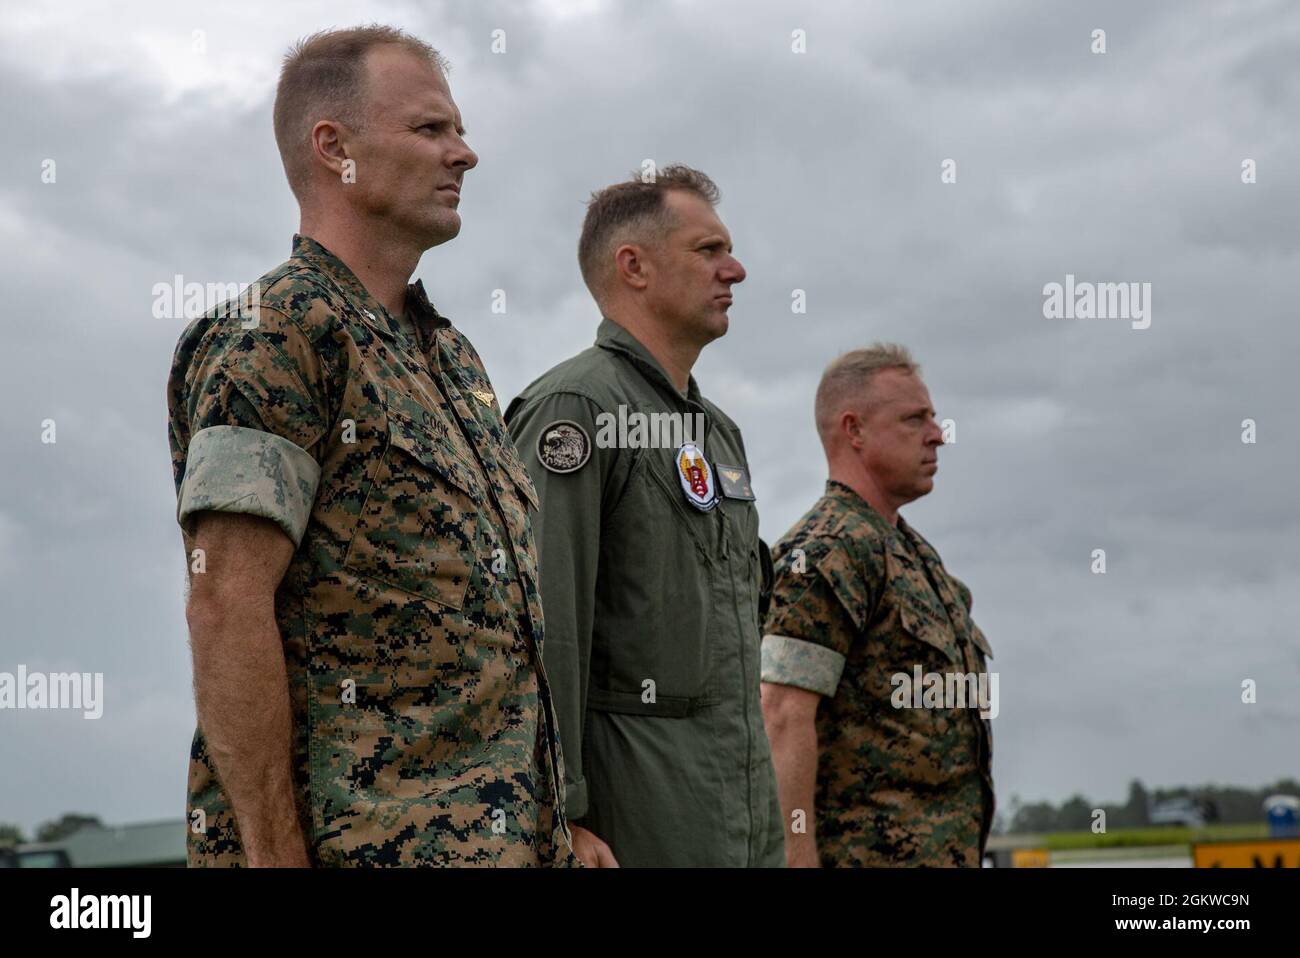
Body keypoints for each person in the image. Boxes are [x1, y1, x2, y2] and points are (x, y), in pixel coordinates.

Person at [167, 25, 573, 866]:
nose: (464, 154)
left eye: (456, 130)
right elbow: (226, 602)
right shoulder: (278, 333)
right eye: (431, 130)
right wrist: (275, 854)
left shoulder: (449, 358)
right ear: (334, 147)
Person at [506, 166, 784, 867]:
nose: (736, 270)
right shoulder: (577, 408)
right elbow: (544, 626)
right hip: (637, 828)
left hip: (737, 821)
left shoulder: (715, 433)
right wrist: (560, 815)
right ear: (634, 266)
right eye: (709, 250)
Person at [760, 345, 994, 867]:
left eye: (933, 418)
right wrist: (796, 859)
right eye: (915, 419)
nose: (937, 434)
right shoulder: (827, 550)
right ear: (854, 430)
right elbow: (781, 712)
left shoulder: (909, 551)